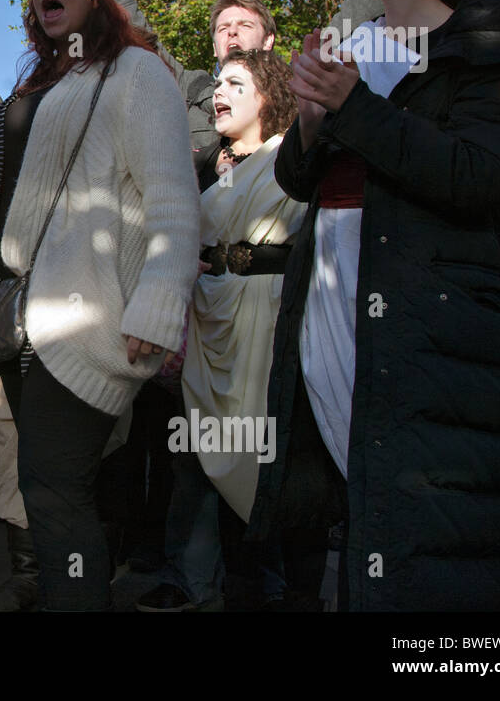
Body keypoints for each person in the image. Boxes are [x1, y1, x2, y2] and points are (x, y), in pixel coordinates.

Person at [247, 0, 500, 610]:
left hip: (424, 328)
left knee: (422, 543)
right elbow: (299, 180)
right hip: (324, 308)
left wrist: (352, 107)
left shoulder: (489, 33)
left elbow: (475, 177)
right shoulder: (355, 45)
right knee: (335, 521)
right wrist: (315, 119)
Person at [0, 0, 200, 610]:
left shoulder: (136, 72)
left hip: (83, 317)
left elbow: (174, 199)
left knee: (55, 488)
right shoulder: (48, 79)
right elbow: (18, 194)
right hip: (15, 314)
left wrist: (160, 303)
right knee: (41, 489)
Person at [139, 49, 308, 611]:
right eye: (217, 83)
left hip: (266, 312)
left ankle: (263, 586)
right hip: (212, 313)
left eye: (236, 83)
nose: (219, 92)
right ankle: (190, 579)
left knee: (259, 453)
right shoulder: (219, 165)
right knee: (196, 456)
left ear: (269, 96)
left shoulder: (293, 156)